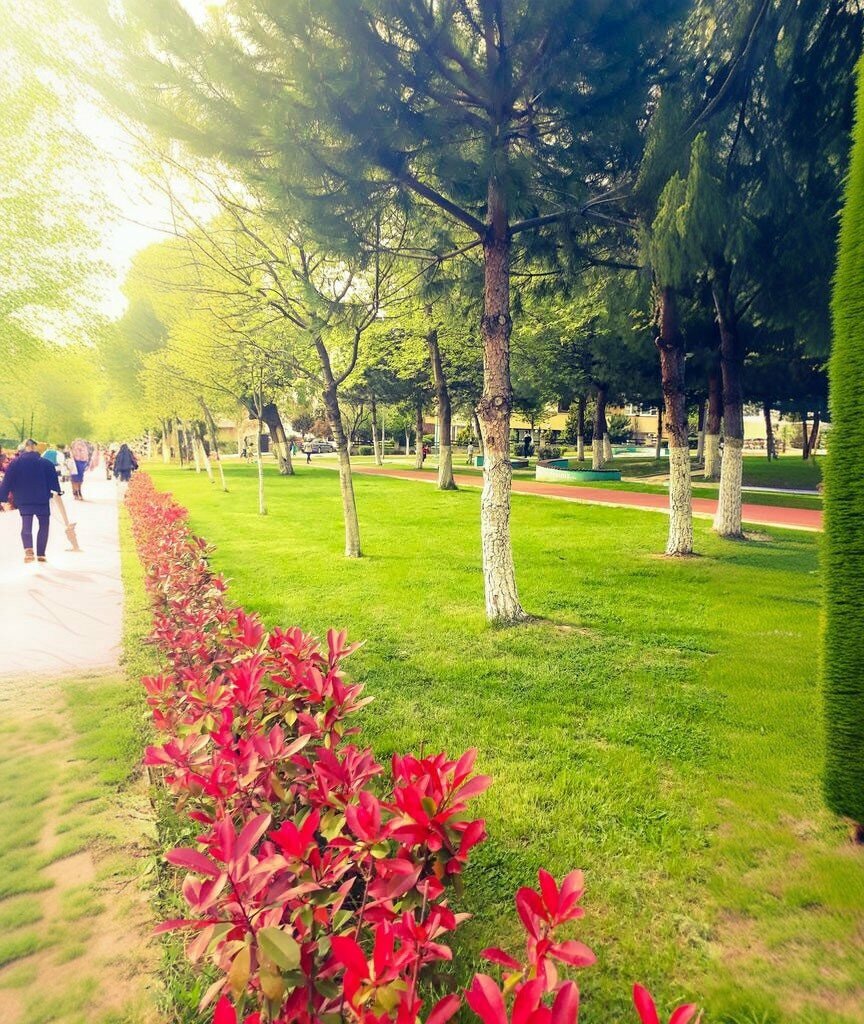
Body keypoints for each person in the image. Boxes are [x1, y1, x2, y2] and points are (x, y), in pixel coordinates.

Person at [0, 439, 61, 563]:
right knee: (44, 525)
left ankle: (28, 550)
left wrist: (3, 497)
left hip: (23, 498)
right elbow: (54, 482)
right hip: (42, 498)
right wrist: (57, 491)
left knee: (26, 524)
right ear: (35, 448)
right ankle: (41, 554)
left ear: (25, 448)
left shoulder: (15, 463)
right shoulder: (46, 463)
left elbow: (7, 480)